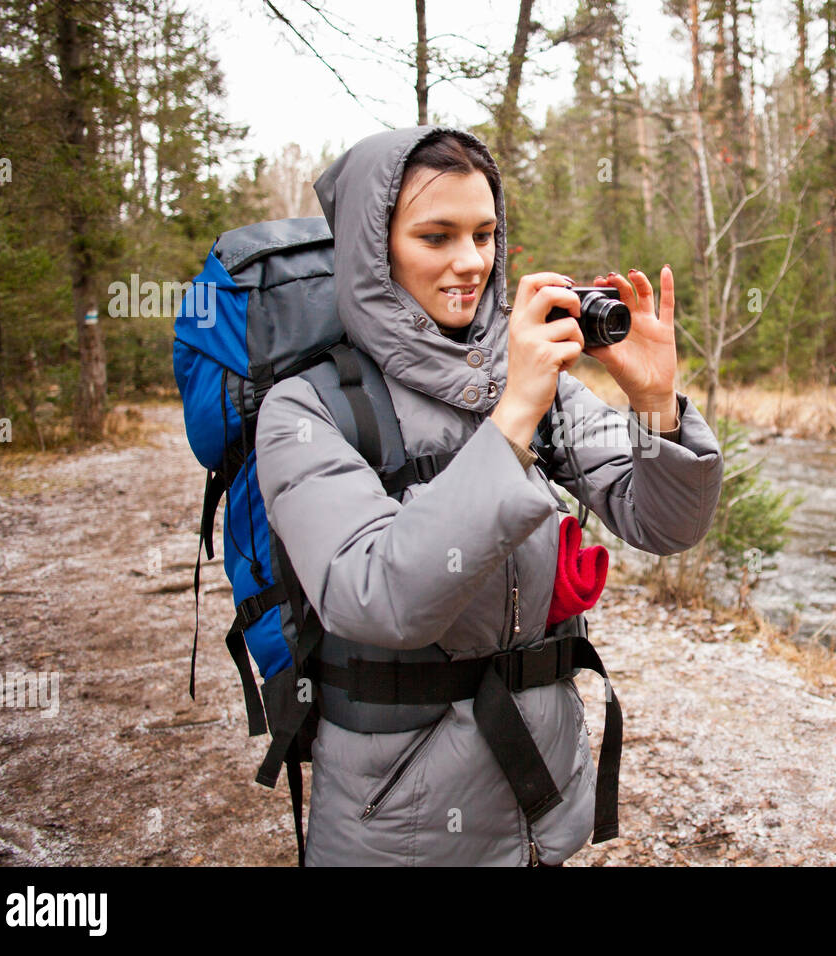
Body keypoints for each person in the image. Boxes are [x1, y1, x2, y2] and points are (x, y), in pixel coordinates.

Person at [253, 125, 724, 866]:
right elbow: (374, 596)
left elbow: (666, 523)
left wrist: (656, 404)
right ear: (374, 251)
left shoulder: (532, 383)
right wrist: (510, 423)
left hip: (542, 791)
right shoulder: (307, 410)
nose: (470, 263)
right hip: (399, 824)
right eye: (435, 236)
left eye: (484, 234)